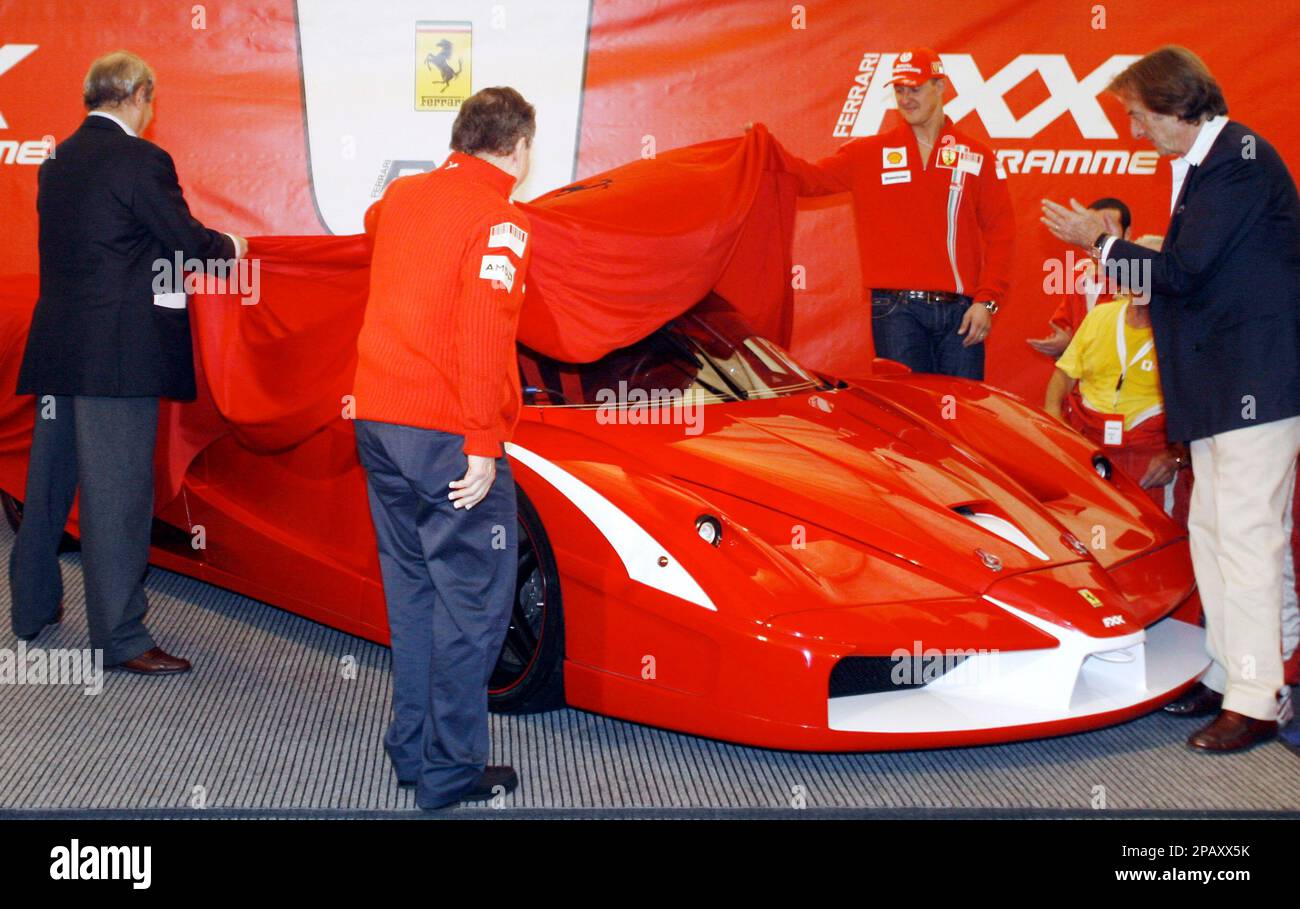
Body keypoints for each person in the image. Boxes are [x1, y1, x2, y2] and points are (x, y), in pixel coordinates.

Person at [1043, 45, 1300, 752]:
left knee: (1246, 539)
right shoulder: (1208, 165)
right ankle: (1228, 675)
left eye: (1135, 114)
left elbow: (1183, 276)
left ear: (1175, 107)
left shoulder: (1238, 161)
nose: (1132, 130)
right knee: (1217, 533)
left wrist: (1100, 242)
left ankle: (1256, 696)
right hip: (1223, 387)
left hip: (1255, 384)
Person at [9, 51, 246, 673]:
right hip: (116, 358)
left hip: (60, 348)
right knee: (117, 498)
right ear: (139, 94)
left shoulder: (55, 160)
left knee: (49, 487)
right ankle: (120, 639)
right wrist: (236, 247)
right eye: (152, 98)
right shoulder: (142, 160)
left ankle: (31, 609)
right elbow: (186, 242)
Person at [351, 87, 534, 809]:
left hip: (377, 424)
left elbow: (373, 225)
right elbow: (485, 337)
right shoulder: (503, 222)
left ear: (460, 139)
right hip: (447, 436)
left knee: (414, 595)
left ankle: (410, 747)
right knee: (474, 608)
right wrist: (483, 443)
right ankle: (451, 770)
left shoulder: (402, 197)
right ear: (519, 149)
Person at [777, 47, 1015, 379]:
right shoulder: (868, 153)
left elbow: (1002, 234)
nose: (905, 99)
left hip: (962, 312)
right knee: (909, 416)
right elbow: (809, 179)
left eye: (914, 89)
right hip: (896, 311)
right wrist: (766, 152)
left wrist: (987, 302)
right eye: (900, 90)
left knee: (963, 417)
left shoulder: (975, 157)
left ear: (940, 86)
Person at [1044, 235, 1188, 509]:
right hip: (1091, 451)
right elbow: (1062, 377)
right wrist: (1054, 422)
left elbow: (1199, 407)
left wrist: (1176, 458)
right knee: (1090, 530)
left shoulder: (1182, 334)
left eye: (1151, 267)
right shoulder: (1100, 316)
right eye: (1137, 266)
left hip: (1150, 462)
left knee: (1153, 540)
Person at [1027, 197, 1133, 359]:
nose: (1098, 238)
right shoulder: (1080, 278)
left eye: (1107, 230)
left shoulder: (1141, 279)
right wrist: (1063, 344)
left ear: (1127, 234)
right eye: (1091, 229)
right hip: (1084, 380)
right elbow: (1066, 329)